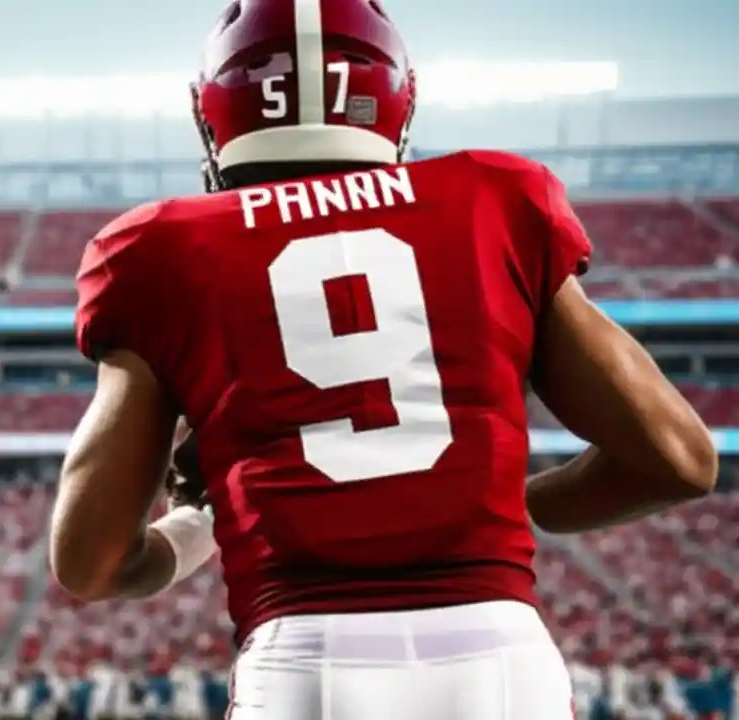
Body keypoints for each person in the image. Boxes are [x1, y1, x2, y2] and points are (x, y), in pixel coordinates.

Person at [48, 1, 719, 718]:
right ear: (401, 97)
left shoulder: (162, 250)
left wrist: (199, 524)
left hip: (309, 658)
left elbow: (92, 562)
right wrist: (506, 506)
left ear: (208, 111)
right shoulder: (495, 199)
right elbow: (676, 459)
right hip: (499, 660)